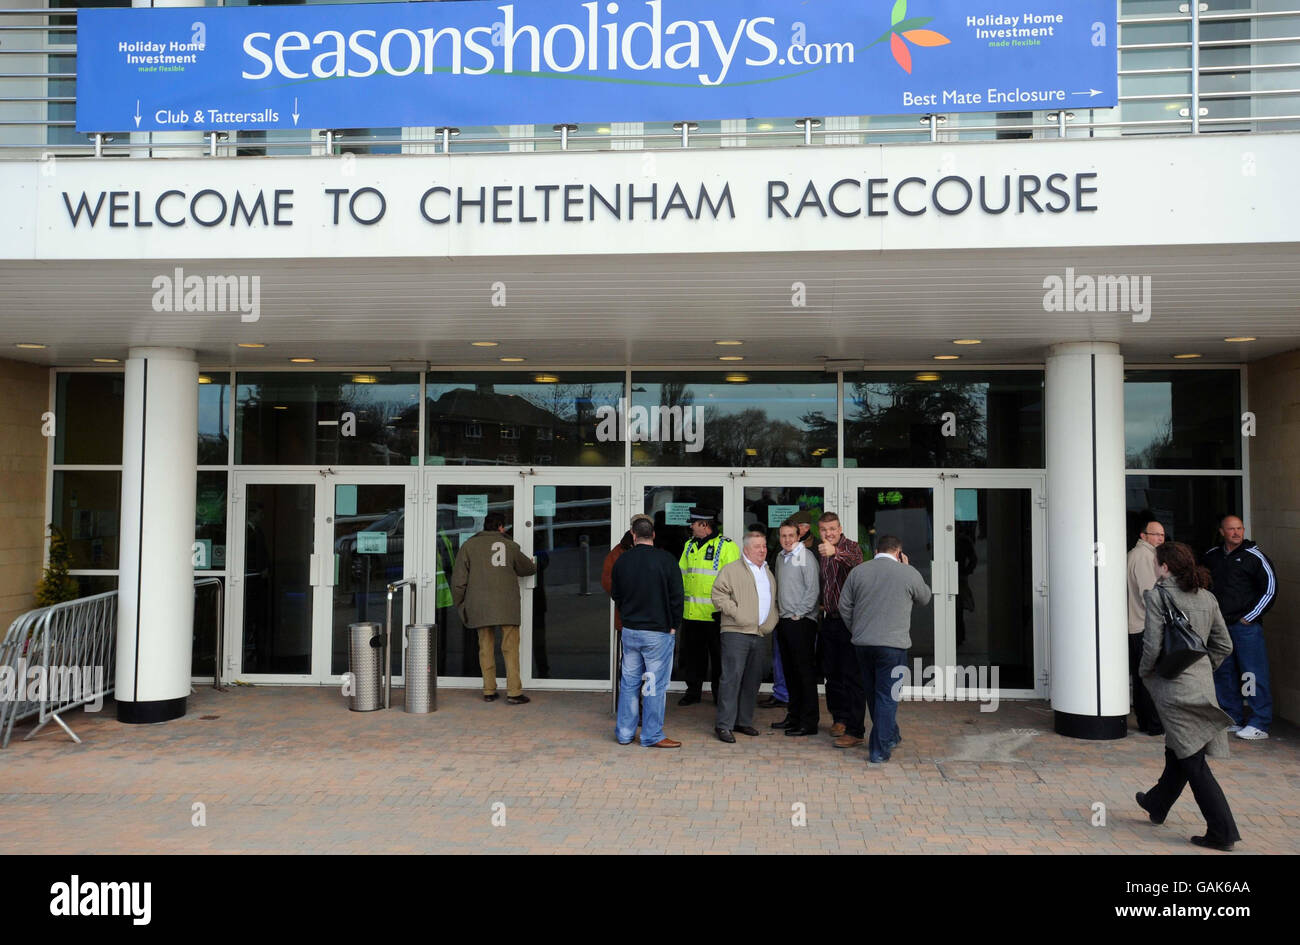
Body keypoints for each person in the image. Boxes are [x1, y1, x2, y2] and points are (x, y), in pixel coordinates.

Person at [1136, 541, 1241, 851]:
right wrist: (1203, 668)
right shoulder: (1207, 597)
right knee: (1180, 748)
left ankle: (1222, 832)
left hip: (1173, 689)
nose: (1156, 568)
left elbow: (1153, 646)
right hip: (1202, 686)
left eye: (1158, 563)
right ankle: (1157, 803)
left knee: (1193, 760)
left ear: (1165, 567)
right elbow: (1224, 645)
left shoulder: (1159, 596)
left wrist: (1144, 673)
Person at [838, 535, 932, 764]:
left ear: (875, 550)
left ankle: (892, 734)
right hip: (893, 646)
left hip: (863, 644)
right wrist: (908, 569)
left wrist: (857, 629)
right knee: (887, 697)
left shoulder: (858, 572)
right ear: (898, 553)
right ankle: (879, 750)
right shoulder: (907, 572)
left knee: (873, 694)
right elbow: (925, 598)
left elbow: (844, 605)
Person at [610, 516, 684, 748]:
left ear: (633, 535)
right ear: (653, 535)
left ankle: (624, 733)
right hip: (657, 633)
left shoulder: (622, 561)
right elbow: (677, 596)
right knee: (653, 686)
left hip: (631, 631)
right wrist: (674, 624)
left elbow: (616, 595)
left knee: (629, 684)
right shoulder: (666, 560)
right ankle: (651, 735)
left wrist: (628, 616)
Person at [451, 511, 537, 705]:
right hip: (507, 605)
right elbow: (528, 569)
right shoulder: (510, 545)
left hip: (480, 605)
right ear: (501, 527)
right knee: (510, 648)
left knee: (485, 647)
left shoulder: (469, 546)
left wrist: (461, 604)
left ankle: (489, 690)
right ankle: (514, 692)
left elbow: (458, 581)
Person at [1203, 515, 1277, 740]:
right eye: (1231, 529)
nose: (1236, 533)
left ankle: (1259, 722)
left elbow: (1270, 589)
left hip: (1246, 628)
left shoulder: (1255, 557)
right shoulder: (1211, 557)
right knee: (1223, 672)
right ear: (1222, 531)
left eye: (1239, 528)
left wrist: (1250, 617)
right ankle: (1232, 717)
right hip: (1220, 627)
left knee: (1251, 674)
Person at [709, 532, 779, 743]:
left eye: (764, 545)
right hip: (736, 632)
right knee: (731, 679)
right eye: (757, 546)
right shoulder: (731, 570)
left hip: (759, 633)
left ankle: (743, 721)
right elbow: (718, 594)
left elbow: (772, 601)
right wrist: (738, 614)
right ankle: (724, 724)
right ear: (746, 550)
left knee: (752, 680)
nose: (762, 550)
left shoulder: (767, 571)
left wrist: (770, 621)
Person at [677, 508, 740, 706]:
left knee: (720, 659)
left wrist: (728, 610)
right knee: (692, 657)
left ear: (704, 524)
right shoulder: (689, 545)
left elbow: (735, 582)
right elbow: (681, 576)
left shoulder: (727, 546)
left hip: (716, 615)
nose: (690, 527)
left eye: (693, 523)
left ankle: (719, 695)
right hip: (691, 614)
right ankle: (693, 692)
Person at [816, 512, 865, 747]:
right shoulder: (821, 552)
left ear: (840, 528)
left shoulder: (851, 548)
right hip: (829, 620)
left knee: (851, 675)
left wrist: (836, 553)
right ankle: (839, 719)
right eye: (825, 530)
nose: (829, 534)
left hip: (849, 622)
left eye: (833, 529)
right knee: (832, 673)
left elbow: (857, 564)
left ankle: (855, 726)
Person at [771, 521, 821, 736]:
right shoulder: (781, 557)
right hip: (784, 621)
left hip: (801, 621)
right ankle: (794, 717)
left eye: (791, 535)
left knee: (804, 674)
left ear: (799, 536)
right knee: (790, 673)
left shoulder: (806, 556)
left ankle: (808, 722)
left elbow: (813, 589)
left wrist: (798, 614)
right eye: (783, 536)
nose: (787, 539)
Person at [602, 514, 654, 714]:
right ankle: (629, 709)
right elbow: (608, 581)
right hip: (627, 621)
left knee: (646, 669)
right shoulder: (618, 553)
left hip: (648, 621)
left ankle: (644, 708)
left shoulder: (653, 551)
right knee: (630, 669)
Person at [1126, 517, 1166, 736]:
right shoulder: (1144, 557)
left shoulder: (1142, 554)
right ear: (1143, 536)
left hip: (1138, 625)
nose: (1160, 538)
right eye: (1155, 534)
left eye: (1162, 534)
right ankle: (1152, 724)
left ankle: (1147, 722)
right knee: (1149, 678)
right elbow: (1148, 594)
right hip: (1143, 626)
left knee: (1143, 677)